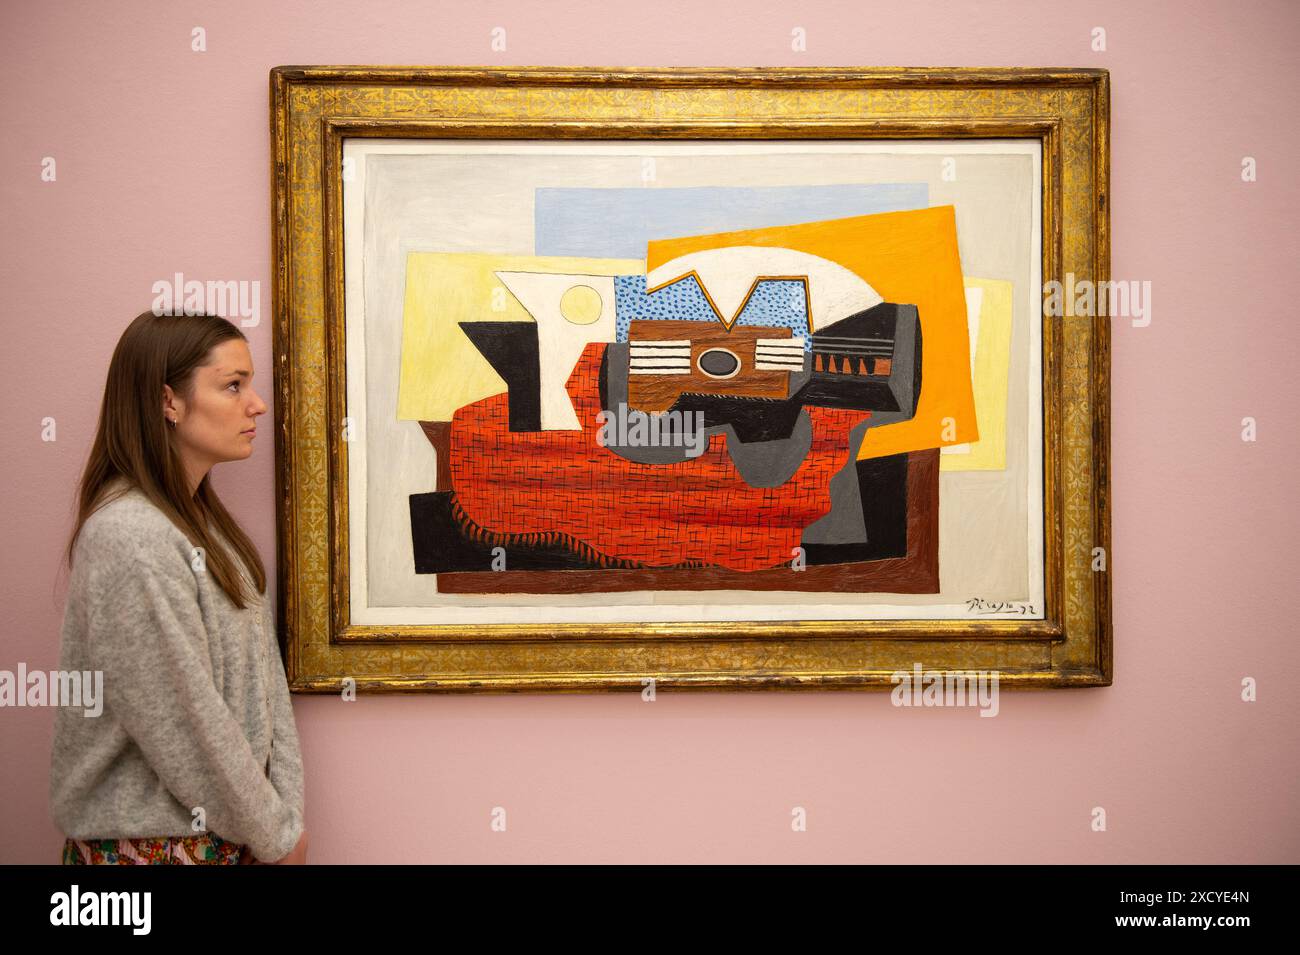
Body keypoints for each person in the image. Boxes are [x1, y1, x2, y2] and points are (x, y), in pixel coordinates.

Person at [50, 309, 307, 865]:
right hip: (149, 853)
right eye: (233, 386)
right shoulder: (130, 535)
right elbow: (185, 723)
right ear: (169, 402)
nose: (256, 404)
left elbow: (267, 689)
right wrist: (276, 833)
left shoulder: (212, 534)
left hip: (229, 839)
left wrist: (283, 822)